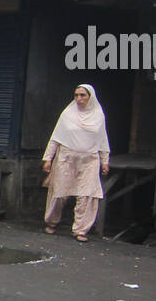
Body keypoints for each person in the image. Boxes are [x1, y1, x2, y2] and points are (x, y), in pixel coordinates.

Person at [42, 83, 110, 242]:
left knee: (86, 195)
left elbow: (102, 140)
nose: (79, 99)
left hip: (89, 159)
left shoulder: (98, 116)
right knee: (59, 193)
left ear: (90, 97)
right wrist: (48, 159)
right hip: (66, 157)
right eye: (76, 95)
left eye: (83, 95)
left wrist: (105, 162)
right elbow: (56, 138)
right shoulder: (68, 114)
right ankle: (52, 222)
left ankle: (80, 230)